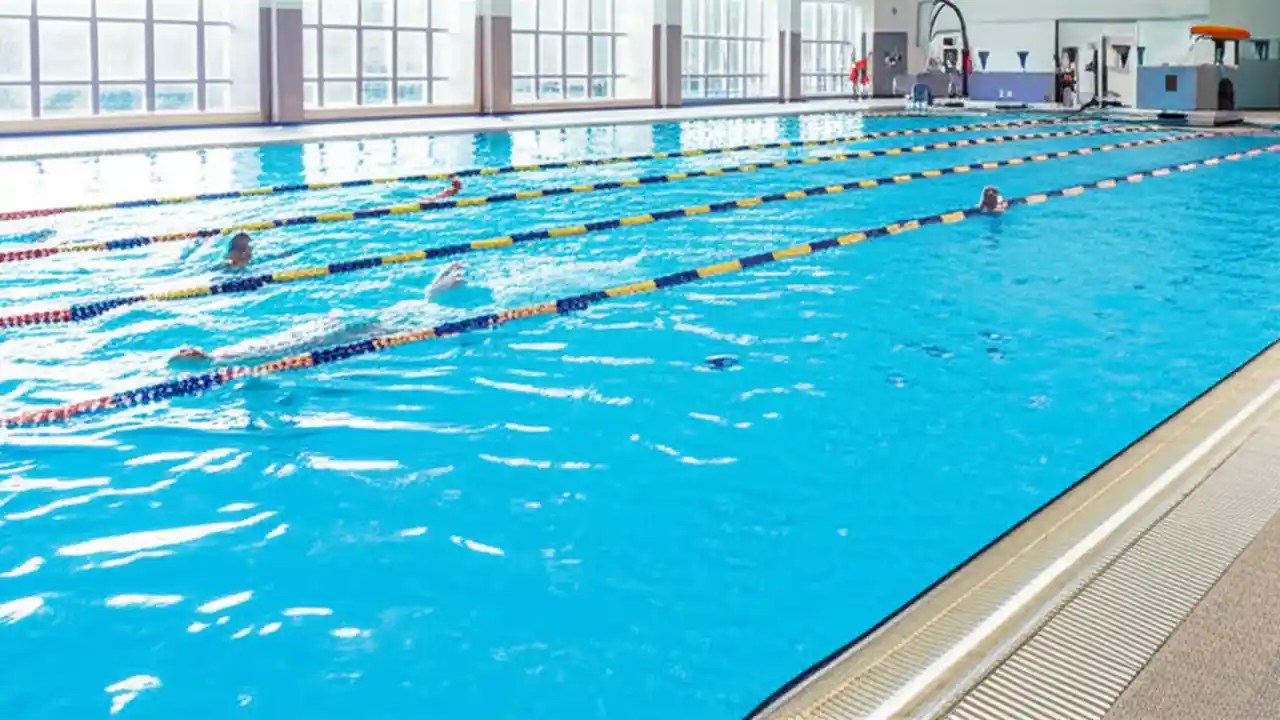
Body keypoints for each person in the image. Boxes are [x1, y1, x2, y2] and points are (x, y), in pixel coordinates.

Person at [172, 261, 467, 365]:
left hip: (331, 330)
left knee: (306, 340)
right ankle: (434, 292)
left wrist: (216, 357)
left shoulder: (226, 356)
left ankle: (434, 293)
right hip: (332, 328)